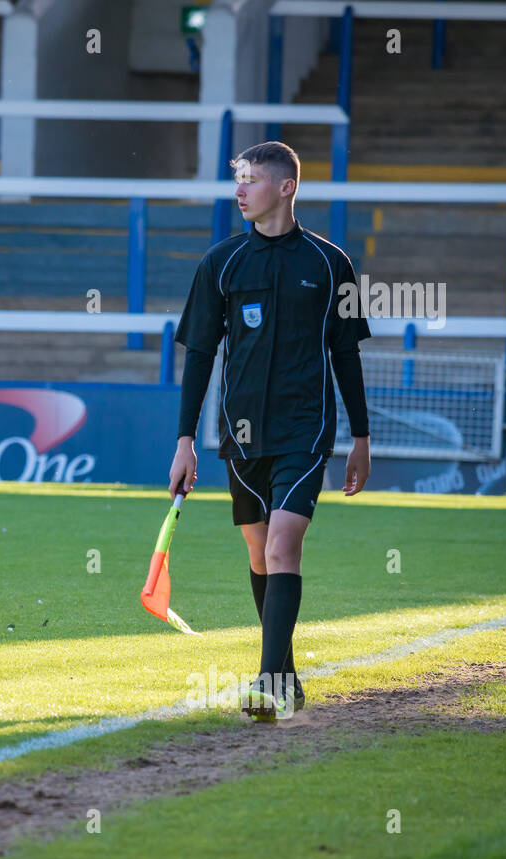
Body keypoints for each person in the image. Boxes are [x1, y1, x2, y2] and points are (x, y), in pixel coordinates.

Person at [168, 141, 372, 720]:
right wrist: (185, 441)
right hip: (243, 436)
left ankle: (268, 682)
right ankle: (285, 674)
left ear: (286, 187)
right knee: (259, 552)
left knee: (284, 542)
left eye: (250, 180)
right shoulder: (221, 263)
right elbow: (200, 355)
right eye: (237, 180)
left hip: (307, 431)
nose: (239, 191)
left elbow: (347, 356)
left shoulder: (332, 265)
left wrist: (361, 438)